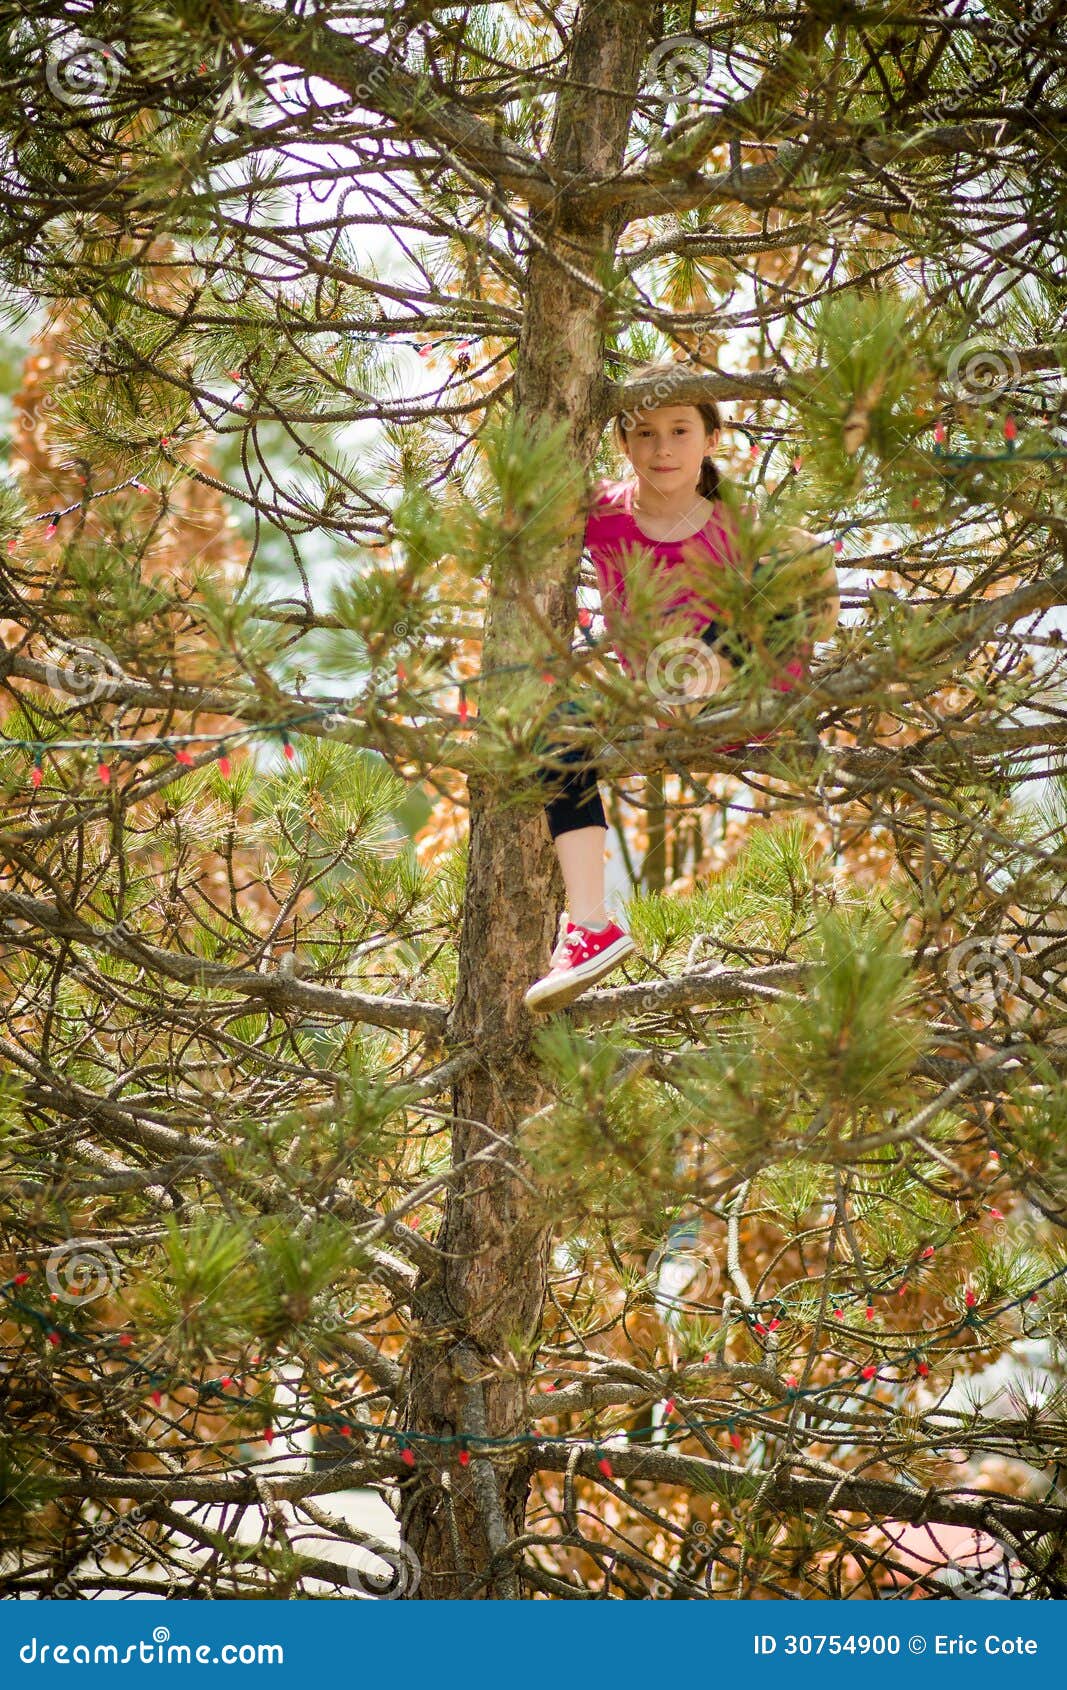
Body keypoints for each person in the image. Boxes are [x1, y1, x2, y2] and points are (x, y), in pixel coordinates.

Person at [523, 367, 840, 1013]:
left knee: (770, 580)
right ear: (623, 441)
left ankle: (701, 688)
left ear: (710, 438)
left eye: (678, 431)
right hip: (654, 698)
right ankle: (588, 924)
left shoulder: (744, 522)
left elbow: (813, 578)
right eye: (644, 433)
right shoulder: (603, 515)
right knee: (553, 725)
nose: (662, 449)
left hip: (742, 692)